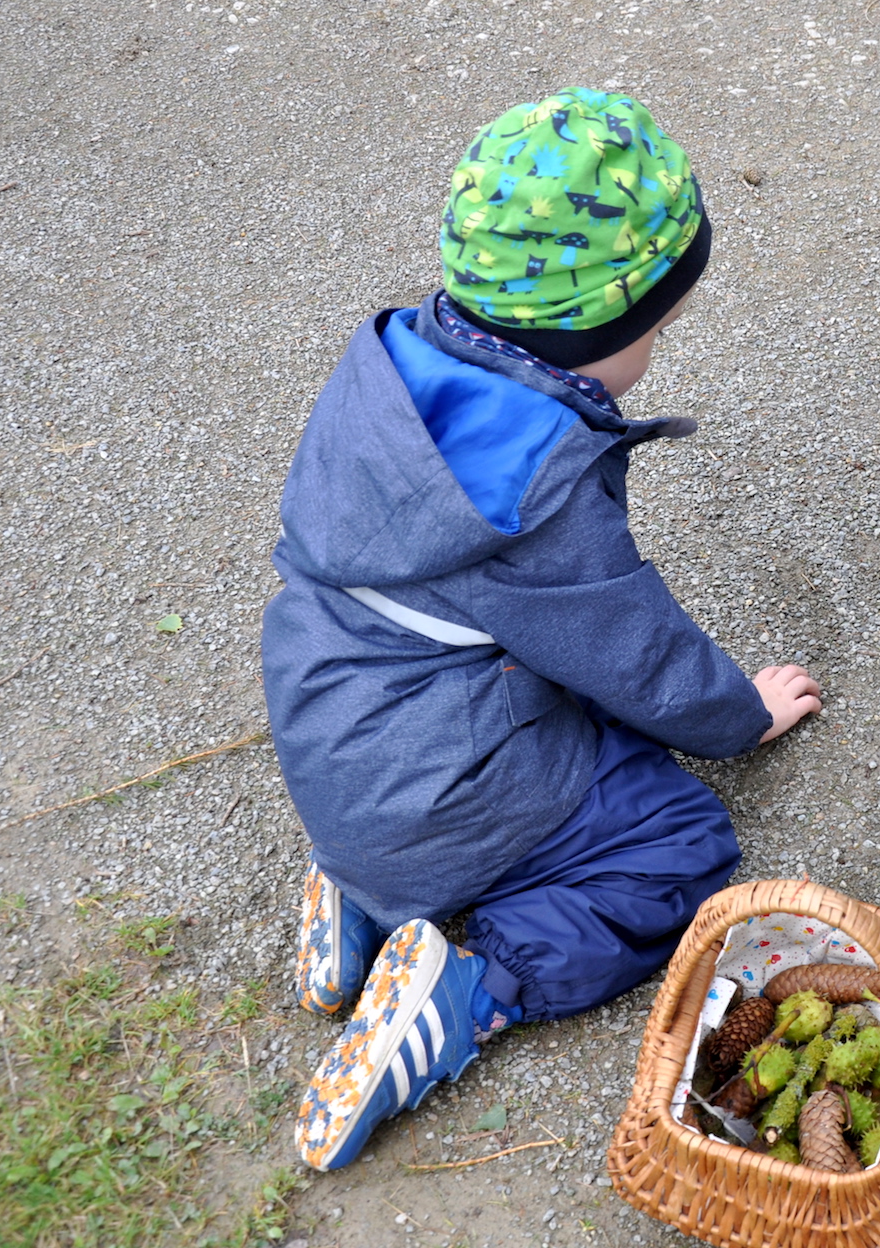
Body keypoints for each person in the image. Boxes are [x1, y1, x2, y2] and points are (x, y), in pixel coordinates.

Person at [262, 89, 821, 1170]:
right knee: (680, 849)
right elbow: (636, 654)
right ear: (603, 334)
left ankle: (363, 887)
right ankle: (471, 988)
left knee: (528, 726)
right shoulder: (533, 491)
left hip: (334, 729)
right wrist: (736, 714)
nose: (657, 349)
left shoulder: (394, 368)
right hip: (438, 787)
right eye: (655, 329)